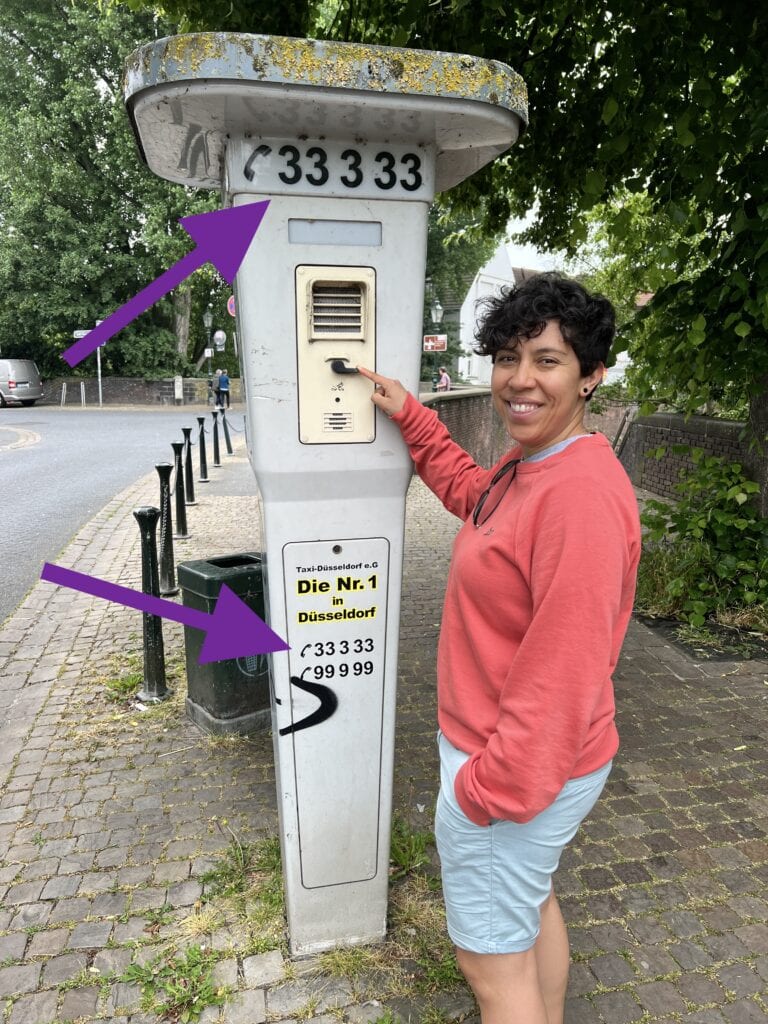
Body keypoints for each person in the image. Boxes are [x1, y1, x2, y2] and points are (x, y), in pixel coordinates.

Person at [358, 272, 640, 1024]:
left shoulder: (578, 497)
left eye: (547, 360)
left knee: (490, 966)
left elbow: (564, 672)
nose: (520, 380)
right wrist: (415, 420)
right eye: (508, 357)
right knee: (527, 905)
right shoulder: (534, 465)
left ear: (591, 376)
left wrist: (484, 797)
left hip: (512, 772)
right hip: (529, 764)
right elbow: (476, 498)